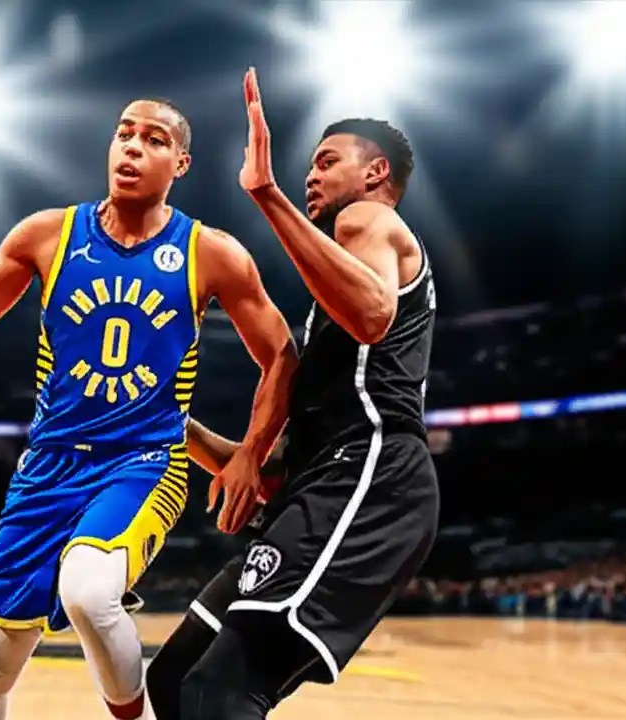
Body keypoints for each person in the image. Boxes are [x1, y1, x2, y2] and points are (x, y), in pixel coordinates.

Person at [0, 97, 298, 720]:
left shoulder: (211, 252)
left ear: (181, 163)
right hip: (47, 466)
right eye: (124, 133)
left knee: (89, 591)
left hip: (143, 463)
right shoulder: (48, 235)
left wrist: (251, 454)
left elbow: (281, 353)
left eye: (154, 139)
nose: (132, 146)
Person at [145, 68, 440, 719]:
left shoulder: (369, 219)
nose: (311, 175)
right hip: (324, 478)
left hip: (371, 473)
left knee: (220, 691)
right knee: (174, 678)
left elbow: (374, 315)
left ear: (375, 173)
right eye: (309, 165)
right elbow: (257, 472)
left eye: (327, 162)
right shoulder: (328, 305)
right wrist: (162, 418)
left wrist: (266, 193)